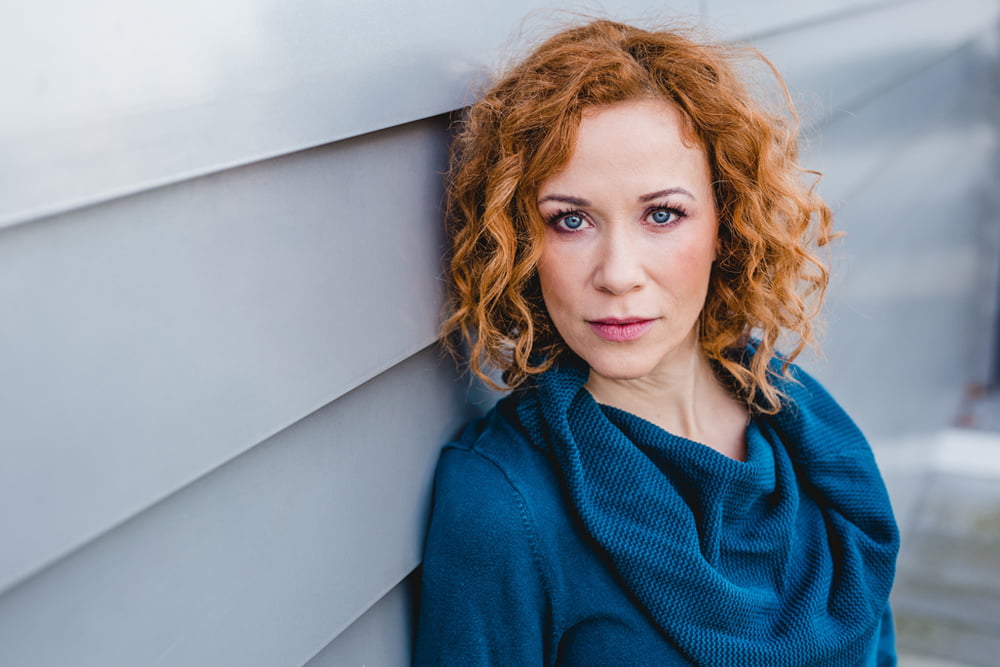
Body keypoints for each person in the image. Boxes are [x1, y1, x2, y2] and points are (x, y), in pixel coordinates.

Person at [415, 18, 899, 666]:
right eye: (571, 220)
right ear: (523, 242)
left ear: (726, 223)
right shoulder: (504, 502)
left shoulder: (807, 430)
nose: (618, 274)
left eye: (662, 214)